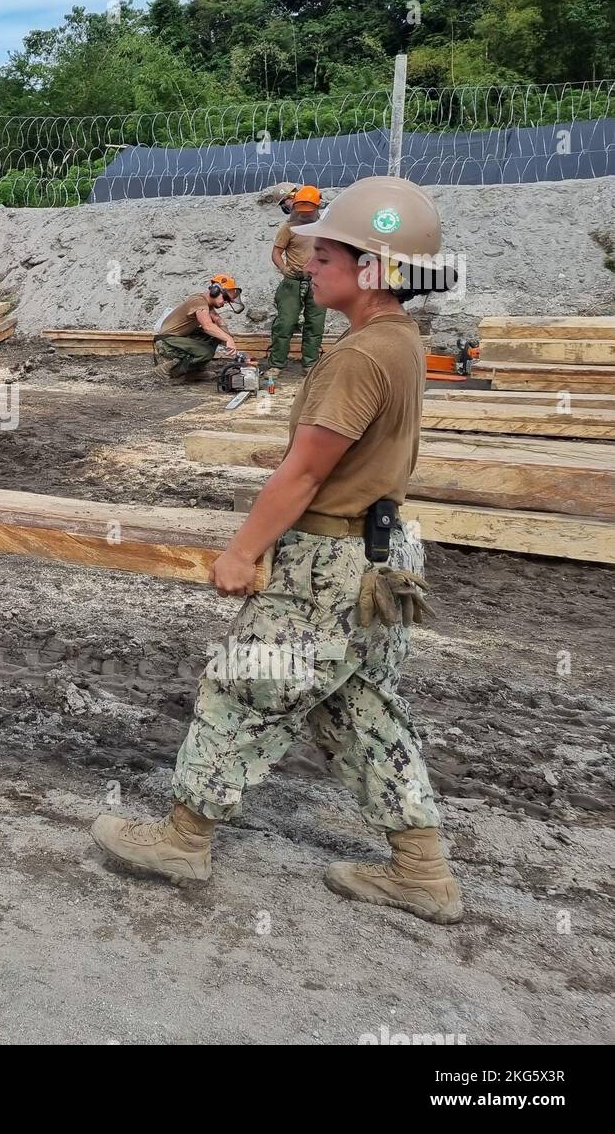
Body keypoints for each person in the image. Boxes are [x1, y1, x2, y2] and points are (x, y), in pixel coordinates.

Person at [92, 176, 463, 925]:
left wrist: (243, 549)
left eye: (326, 252)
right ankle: (422, 869)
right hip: (381, 556)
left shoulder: (358, 356)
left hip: (327, 566)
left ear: (373, 269)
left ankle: (182, 838)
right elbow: (344, 454)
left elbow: (305, 475)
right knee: (360, 706)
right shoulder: (397, 342)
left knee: (242, 684)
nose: (309, 260)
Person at [269, 183, 326, 377]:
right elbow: (276, 253)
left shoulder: (325, 224)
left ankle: (310, 364)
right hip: (293, 281)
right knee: (285, 322)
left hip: (318, 282)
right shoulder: (288, 228)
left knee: (315, 324)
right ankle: (276, 364)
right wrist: (285, 269)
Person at [153, 274, 243, 381]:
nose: (225, 302)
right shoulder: (198, 302)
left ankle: (193, 371)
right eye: (226, 298)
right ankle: (168, 370)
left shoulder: (206, 304)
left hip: (178, 338)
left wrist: (229, 340)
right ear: (215, 291)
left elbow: (218, 327)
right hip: (166, 341)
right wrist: (229, 339)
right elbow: (207, 326)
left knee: (216, 337)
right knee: (205, 352)